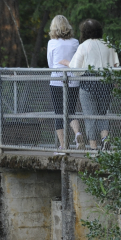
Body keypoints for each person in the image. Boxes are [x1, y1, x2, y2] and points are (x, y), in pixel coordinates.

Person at [59, 19, 118, 151]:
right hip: (106, 84)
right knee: (103, 113)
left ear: (84, 32)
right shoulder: (109, 45)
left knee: (90, 116)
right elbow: (115, 65)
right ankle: (105, 139)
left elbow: (75, 68)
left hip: (88, 85)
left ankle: (93, 147)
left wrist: (67, 63)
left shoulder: (84, 46)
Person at [46, 15, 83, 153]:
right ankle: (77, 133)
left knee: (58, 113)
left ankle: (63, 146)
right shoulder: (75, 42)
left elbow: (50, 64)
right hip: (73, 81)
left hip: (56, 80)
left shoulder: (52, 43)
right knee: (71, 111)